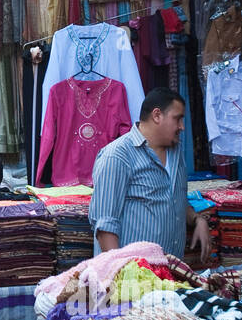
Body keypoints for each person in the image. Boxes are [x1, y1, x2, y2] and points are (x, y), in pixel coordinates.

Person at [90, 87, 211, 261]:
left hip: (168, 276)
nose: (182, 127)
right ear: (157, 115)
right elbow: (105, 226)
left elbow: (175, 200)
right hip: (134, 278)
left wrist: (198, 220)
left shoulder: (176, 153)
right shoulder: (117, 155)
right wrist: (122, 276)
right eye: (178, 119)